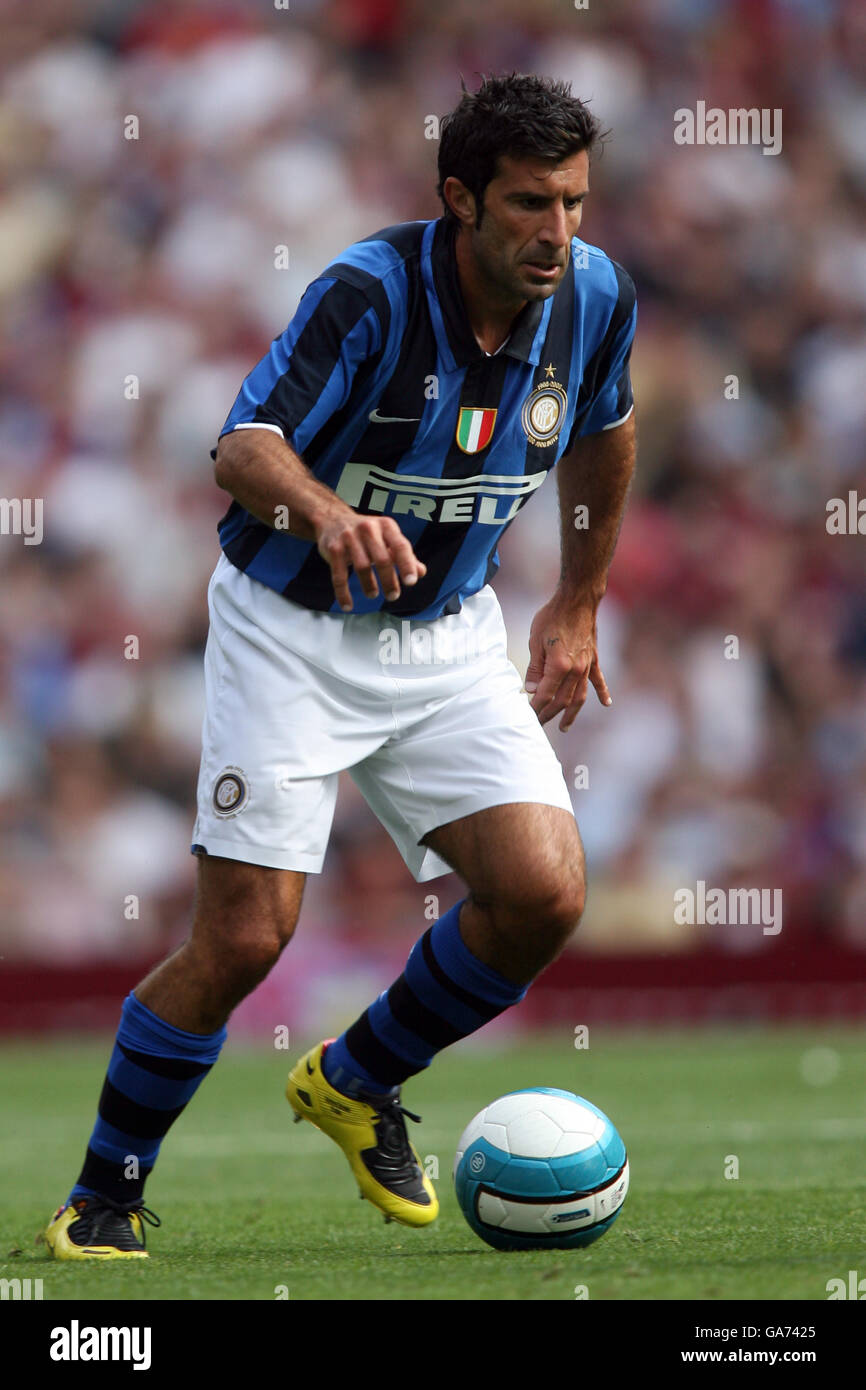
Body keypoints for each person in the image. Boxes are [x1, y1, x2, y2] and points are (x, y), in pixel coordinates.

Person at [45, 72, 637, 1257]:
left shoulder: (593, 296)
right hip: (289, 629)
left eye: (573, 202)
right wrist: (325, 515)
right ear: (458, 200)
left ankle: (355, 1079)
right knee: (244, 942)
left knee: (543, 893)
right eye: (529, 204)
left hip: (448, 633)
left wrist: (575, 603)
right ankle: (104, 1194)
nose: (557, 232)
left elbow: (605, 432)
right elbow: (242, 444)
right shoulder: (369, 290)